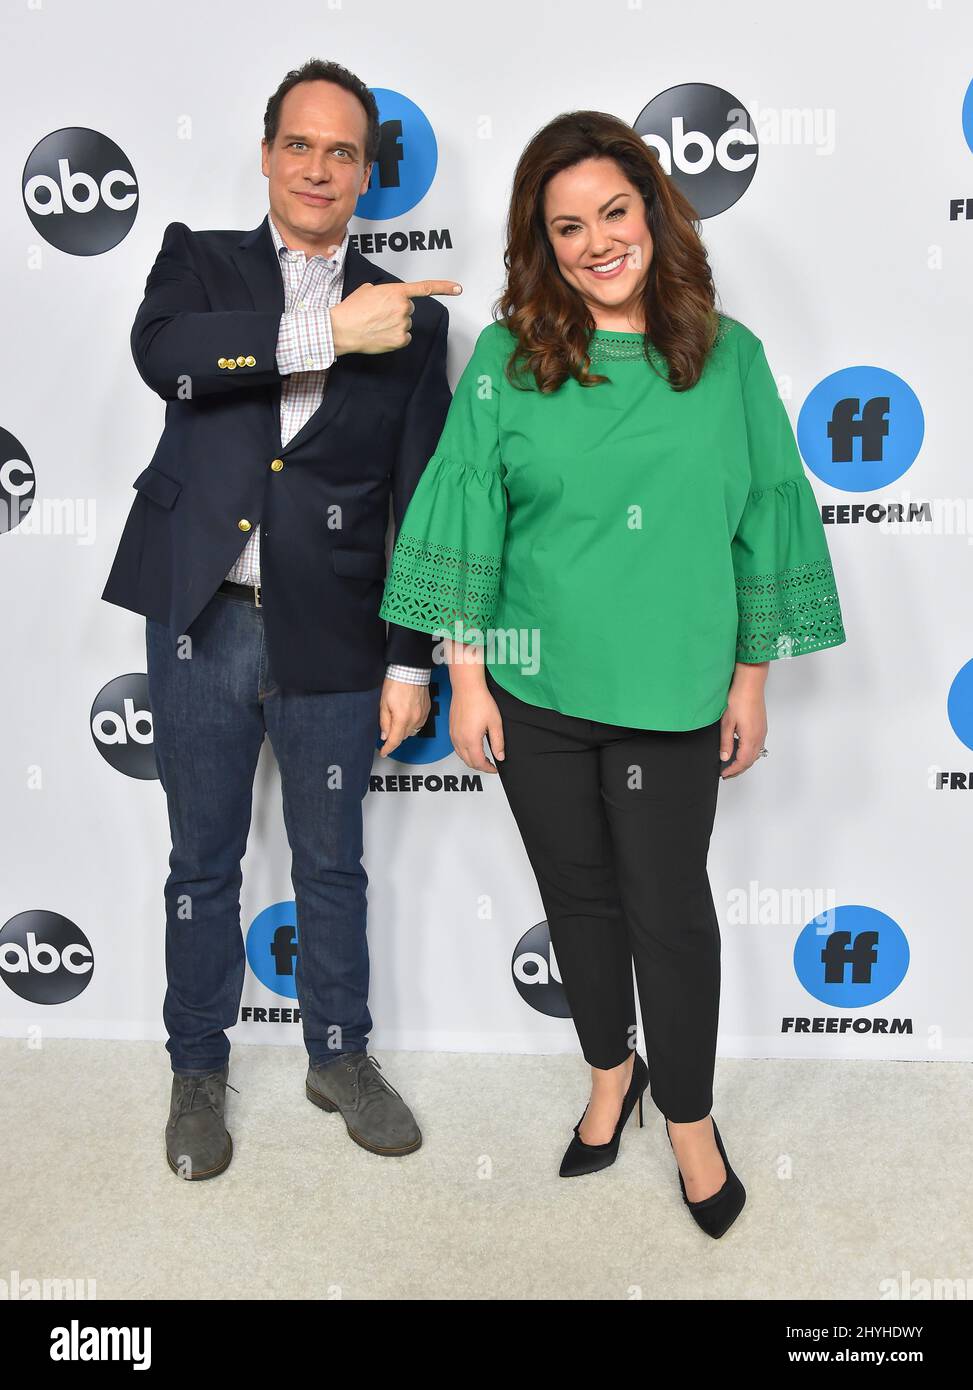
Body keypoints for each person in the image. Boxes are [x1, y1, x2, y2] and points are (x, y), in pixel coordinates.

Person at [378, 110, 847, 1238]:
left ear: (653, 211)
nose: (596, 241)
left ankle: (688, 1116)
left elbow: (764, 521)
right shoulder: (507, 357)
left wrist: (751, 680)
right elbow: (465, 514)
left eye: (614, 212)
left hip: (674, 691)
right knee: (576, 898)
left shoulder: (729, 357)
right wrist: (471, 679)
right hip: (534, 689)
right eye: (567, 225)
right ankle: (608, 1073)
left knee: (668, 913)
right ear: (543, 242)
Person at [102, 58, 461, 1179]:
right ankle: (197, 1069)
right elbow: (171, 364)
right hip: (204, 619)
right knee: (201, 862)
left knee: (332, 865)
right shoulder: (197, 265)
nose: (318, 167)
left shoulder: (410, 316)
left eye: (342, 151)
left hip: (338, 635)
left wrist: (414, 662)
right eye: (298, 144)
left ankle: (339, 1054)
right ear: (266, 155)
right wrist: (324, 336)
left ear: (367, 173)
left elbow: (425, 504)